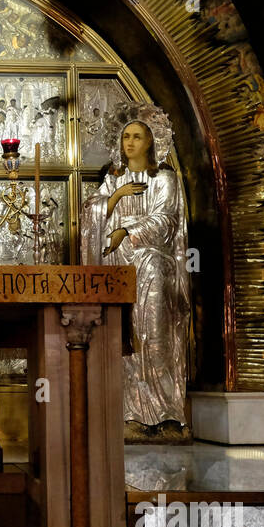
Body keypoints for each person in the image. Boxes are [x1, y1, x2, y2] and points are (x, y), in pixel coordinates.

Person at [80, 105, 189, 430]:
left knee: (152, 333)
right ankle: (127, 413)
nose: (130, 142)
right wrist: (115, 199)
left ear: (151, 142)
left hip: (152, 264)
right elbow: (91, 216)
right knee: (121, 335)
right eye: (125, 136)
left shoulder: (164, 179)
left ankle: (165, 410)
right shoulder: (113, 181)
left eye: (137, 137)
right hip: (117, 266)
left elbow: (166, 221)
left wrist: (126, 231)